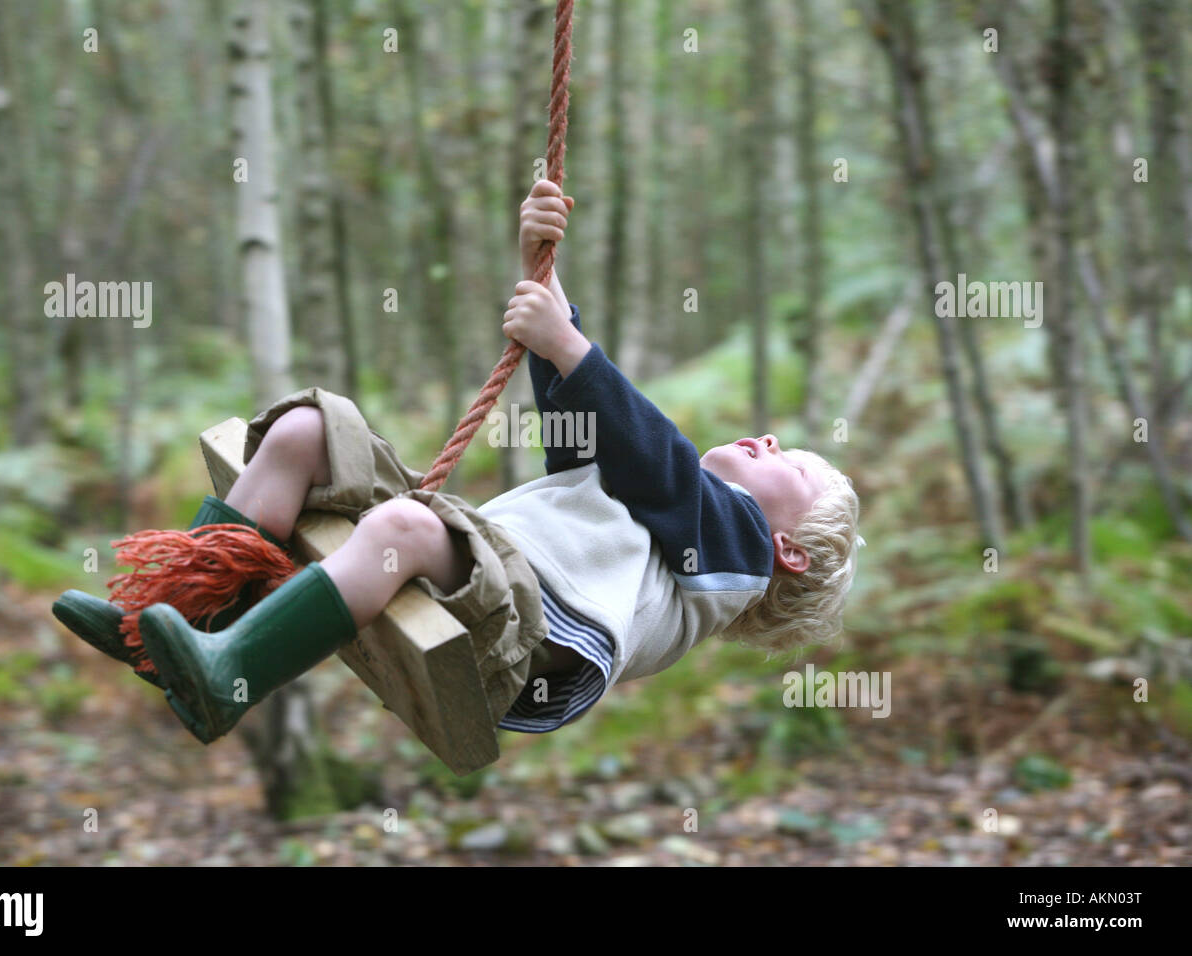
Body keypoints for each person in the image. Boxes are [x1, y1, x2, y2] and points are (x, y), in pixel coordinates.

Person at [53, 179, 860, 744]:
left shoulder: (734, 556)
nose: (767, 441)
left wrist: (568, 341)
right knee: (303, 431)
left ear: (785, 544)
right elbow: (586, 433)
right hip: (483, 564)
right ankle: (171, 621)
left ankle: (230, 676)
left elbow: (659, 463)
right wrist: (546, 275)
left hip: (537, 641)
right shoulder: (664, 509)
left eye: (792, 466)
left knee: (402, 524)